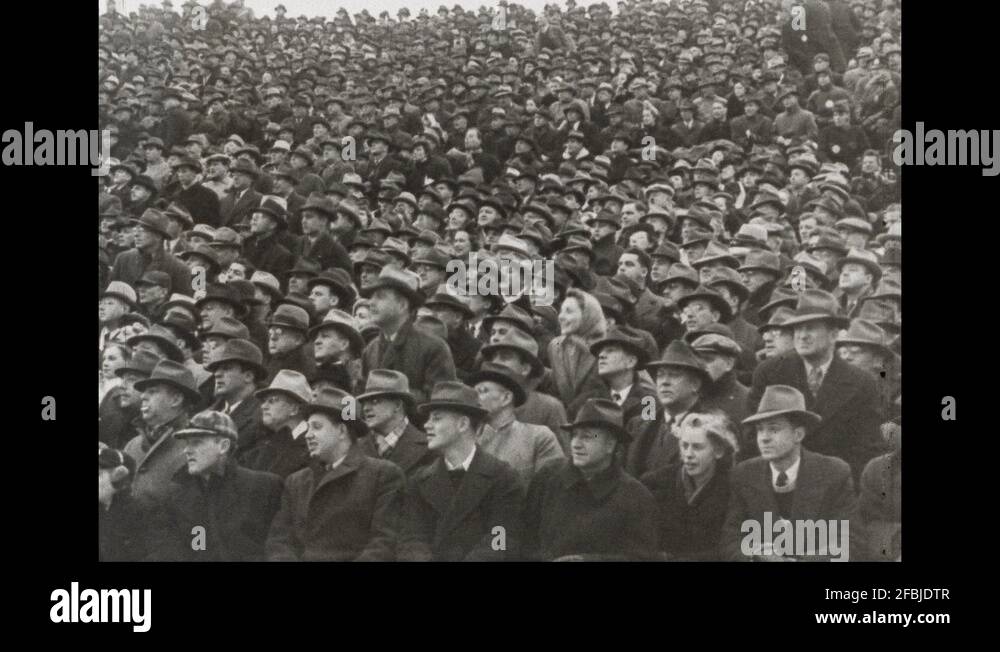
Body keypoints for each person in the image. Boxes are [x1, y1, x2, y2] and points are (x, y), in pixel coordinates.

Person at [747, 290, 885, 479]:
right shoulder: (770, 372)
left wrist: (833, 483)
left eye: (811, 328)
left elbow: (866, 449)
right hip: (776, 481)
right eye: (798, 328)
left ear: (833, 334)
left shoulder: (862, 383)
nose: (802, 336)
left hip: (833, 487)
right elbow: (752, 437)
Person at [721, 385, 862, 561]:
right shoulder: (744, 474)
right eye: (760, 429)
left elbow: (851, 542)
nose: (764, 438)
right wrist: (755, 557)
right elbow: (730, 540)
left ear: (798, 434)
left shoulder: (834, 473)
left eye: (774, 429)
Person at [266, 387, 405, 561]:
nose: (308, 435)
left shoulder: (383, 474)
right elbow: (280, 541)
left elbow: (383, 542)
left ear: (341, 431)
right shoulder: (297, 481)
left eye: (316, 427)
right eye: (307, 428)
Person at [398, 381, 524, 561]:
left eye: (437, 418)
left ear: (463, 424)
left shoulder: (504, 478)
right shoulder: (418, 481)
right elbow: (411, 540)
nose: (427, 425)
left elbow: (501, 540)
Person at [523, 398, 659, 561]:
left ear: (610, 444)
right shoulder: (548, 477)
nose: (576, 444)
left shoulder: (636, 496)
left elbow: (642, 557)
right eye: (574, 436)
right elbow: (523, 535)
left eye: (587, 437)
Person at [150, 411, 283, 561]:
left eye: (197, 442)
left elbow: (279, 545)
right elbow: (173, 551)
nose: (186, 450)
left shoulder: (263, 487)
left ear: (223, 446)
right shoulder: (177, 497)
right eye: (187, 443)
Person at [640, 412, 738, 561]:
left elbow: (727, 547)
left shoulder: (733, 489)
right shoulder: (654, 483)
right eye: (684, 446)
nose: (688, 454)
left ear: (718, 451)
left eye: (697, 447)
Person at [360, 267, 456, 404]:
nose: (371, 303)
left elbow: (442, 401)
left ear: (402, 305)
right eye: (371, 297)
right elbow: (358, 395)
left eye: (380, 296)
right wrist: (349, 420)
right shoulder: (370, 349)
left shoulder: (433, 347)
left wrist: (394, 396)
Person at [123, 360, 201, 513]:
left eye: (152, 391)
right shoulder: (132, 445)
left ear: (176, 399)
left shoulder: (195, 446)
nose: (143, 396)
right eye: (145, 392)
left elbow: (196, 521)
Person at [471, 361, 565, 488]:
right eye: (473, 393)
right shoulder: (467, 439)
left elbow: (552, 490)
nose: (475, 398)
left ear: (506, 398)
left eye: (483, 391)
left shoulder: (538, 437)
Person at [627, 340, 712, 478]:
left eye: (674, 375)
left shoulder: (710, 426)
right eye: (660, 375)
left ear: (695, 384)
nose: (664, 382)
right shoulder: (637, 424)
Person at [355, 369, 435, 478]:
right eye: (364, 403)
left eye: (374, 402)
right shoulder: (355, 449)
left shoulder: (429, 449)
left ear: (397, 405)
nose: (366, 408)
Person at [547, 288, 608, 418]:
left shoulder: (607, 347)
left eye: (568, 312)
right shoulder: (556, 347)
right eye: (561, 311)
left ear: (587, 315)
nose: (561, 317)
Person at [242, 369, 312, 478]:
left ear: (294, 409)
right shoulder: (263, 442)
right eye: (264, 401)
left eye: (272, 400)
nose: (263, 406)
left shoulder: (311, 443)